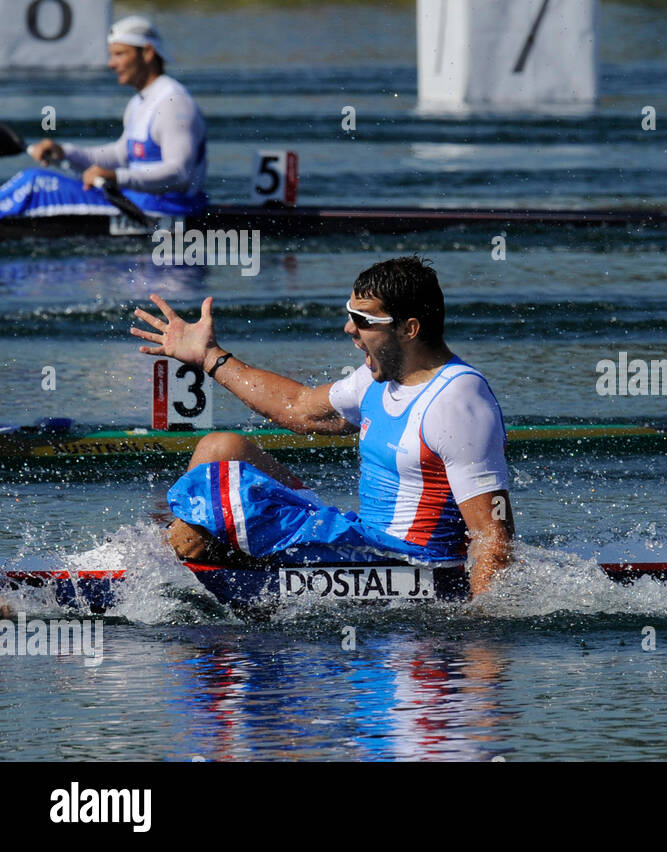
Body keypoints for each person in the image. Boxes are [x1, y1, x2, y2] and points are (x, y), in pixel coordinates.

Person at [130, 256, 514, 598]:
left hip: (414, 565)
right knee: (222, 449)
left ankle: (160, 573)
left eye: (363, 320)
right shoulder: (377, 379)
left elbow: (493, 538)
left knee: (224, 500)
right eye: (350, 314)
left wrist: (478, 638)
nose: (349, 328)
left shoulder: (458, 402)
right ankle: (178, 563)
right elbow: (299, 408)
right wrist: (209, 357)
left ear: (408, 329)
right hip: (365, 541)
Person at [0, 16, 207, 219]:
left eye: (119, 54)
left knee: (35, 182)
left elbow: (180, 173)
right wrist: (65, 153)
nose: (111, 64)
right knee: (35, 180)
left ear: (148, 53)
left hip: (167, 208)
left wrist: (117, 177)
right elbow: (119, 156)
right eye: (111, 55)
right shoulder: (139, 102)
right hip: (135, 200)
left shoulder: (173, 103)